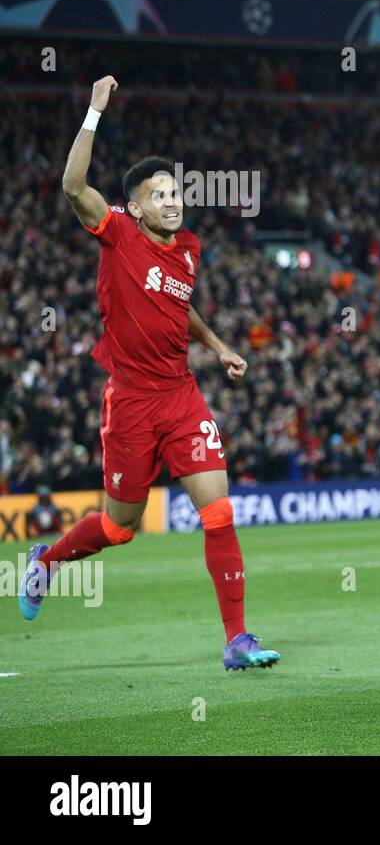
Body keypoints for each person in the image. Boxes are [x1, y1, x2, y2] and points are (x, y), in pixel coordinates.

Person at [21, 75, 279, 671]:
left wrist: (216, 347)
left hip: (182, 397)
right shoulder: (114, 233)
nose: (172, 199)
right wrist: (92, 112)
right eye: (159, 194)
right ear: (135, 206)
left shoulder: (188, 246)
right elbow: (71, 185)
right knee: (119, 528)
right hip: (131, 403)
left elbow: (178, 307)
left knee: (218, 511)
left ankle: (237, 639)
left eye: (176, 191)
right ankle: (48, 560)